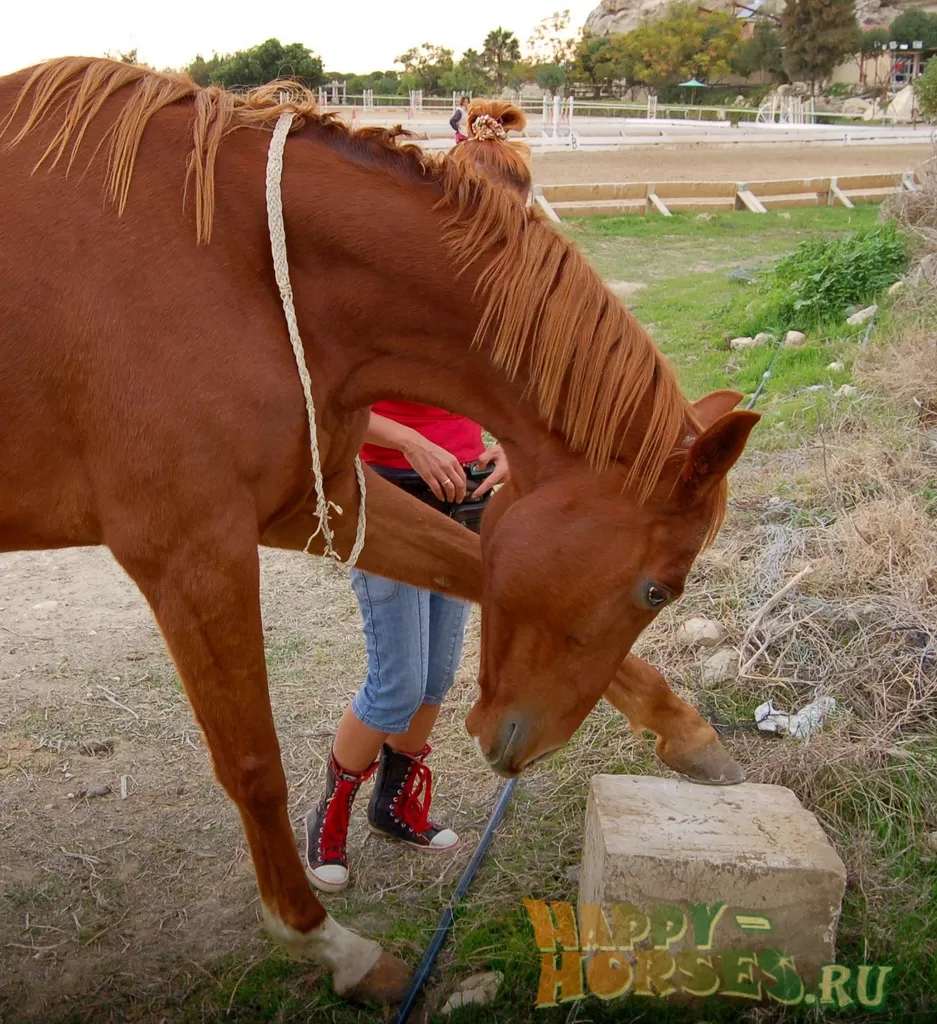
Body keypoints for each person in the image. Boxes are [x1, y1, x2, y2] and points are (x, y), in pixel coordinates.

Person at [304, 401, 508, 892]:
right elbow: (326, 398)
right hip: (388, 494)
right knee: (398, 685)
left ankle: (391, 807)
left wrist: (513, 444)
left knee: (437, 676)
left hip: (466, 491)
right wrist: (409, 441)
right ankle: (327, 816)